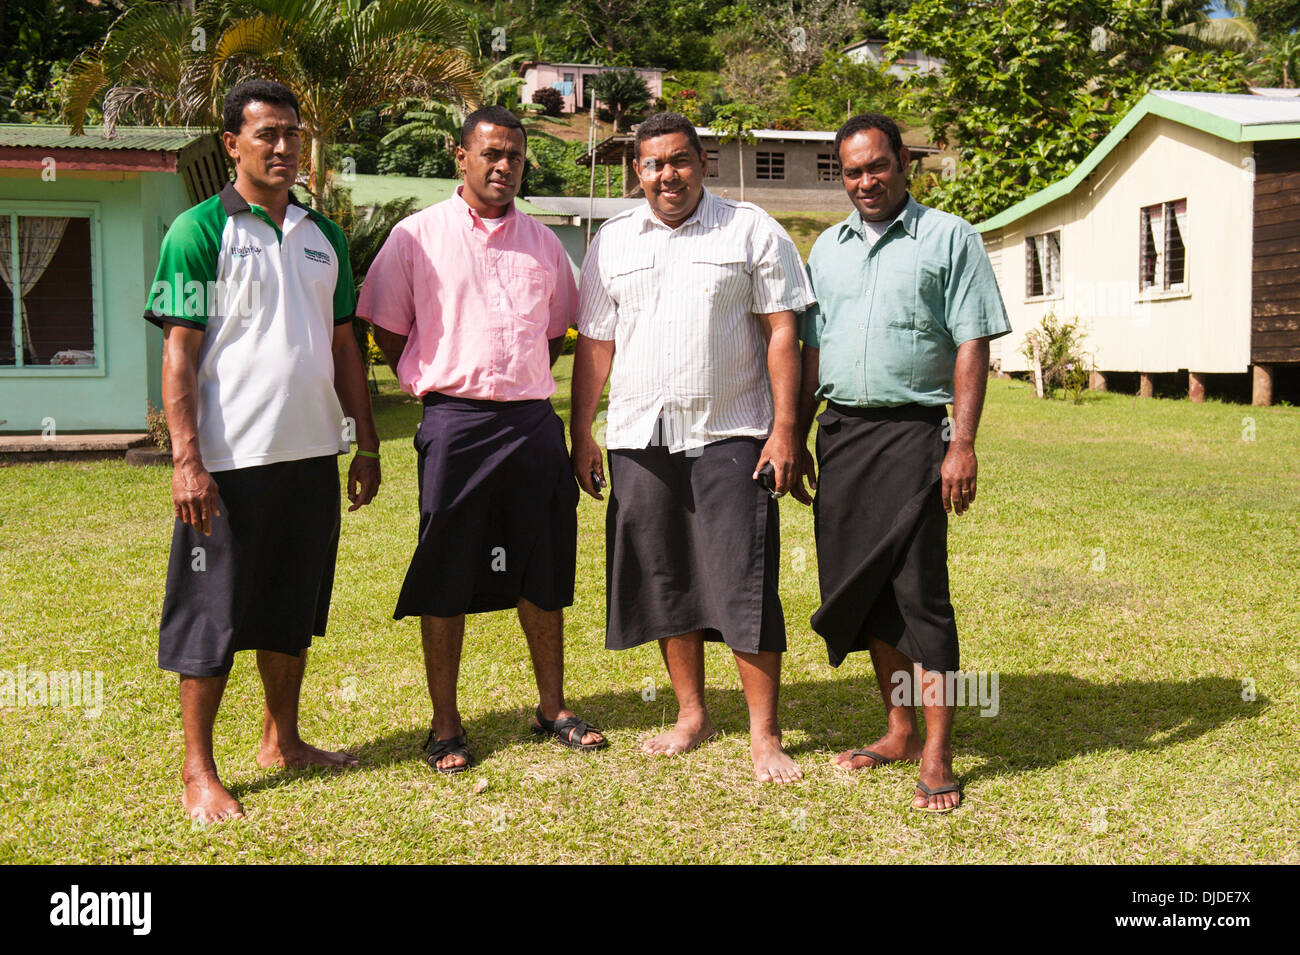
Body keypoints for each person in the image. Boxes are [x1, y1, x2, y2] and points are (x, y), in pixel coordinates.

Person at [146, 79, 381, 823]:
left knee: (289, 608)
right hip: (227, 467)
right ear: (231, 145)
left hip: (309, 458)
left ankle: (283, 740)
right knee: (210, 617)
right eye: (266, 135)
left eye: (292, 134)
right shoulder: (199, 231)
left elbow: (346, 346)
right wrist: (187, 460)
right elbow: (178, 356)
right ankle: (198, 770)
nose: (283, 148)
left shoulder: (324, 237)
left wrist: (365, 440)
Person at [357, 105, 604, 774]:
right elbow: (384, 327)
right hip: (454, 423)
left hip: (530, 423)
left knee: (544, 564)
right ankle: (445, 724)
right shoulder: (416, 237)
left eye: (515, 157)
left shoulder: (547, 244)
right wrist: (430, 375)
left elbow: (557, 335)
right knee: (446, 566)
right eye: (491, 154)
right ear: (459, 156)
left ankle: (552, 706)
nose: (503, 166)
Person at [571, 111, 814, 784]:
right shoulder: (611, 243)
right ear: (636, 171)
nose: (666, 175)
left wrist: (786, 428)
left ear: (702, 162)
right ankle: (691, 713)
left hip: (730, 435)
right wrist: (582, 429)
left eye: (679, 160)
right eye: (653, 164)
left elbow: (781, 332)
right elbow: (596, 343)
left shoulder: (751, 229)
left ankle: (765, 735)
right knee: (668, 575)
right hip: (640, 439)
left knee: (744, 580)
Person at [792, 112, 1011, 812]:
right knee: (866, 590)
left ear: (904, 162)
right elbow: (812, 351)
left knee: (921, 594)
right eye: (852, 171)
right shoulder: (825, 249)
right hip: (842, 436)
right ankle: (898, 728)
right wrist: (795, 435)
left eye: (877, 166)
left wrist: (963, 441)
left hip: (917, 435)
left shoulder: (951, 238)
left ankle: (939, 749)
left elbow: (972, 342)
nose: (866, 180)